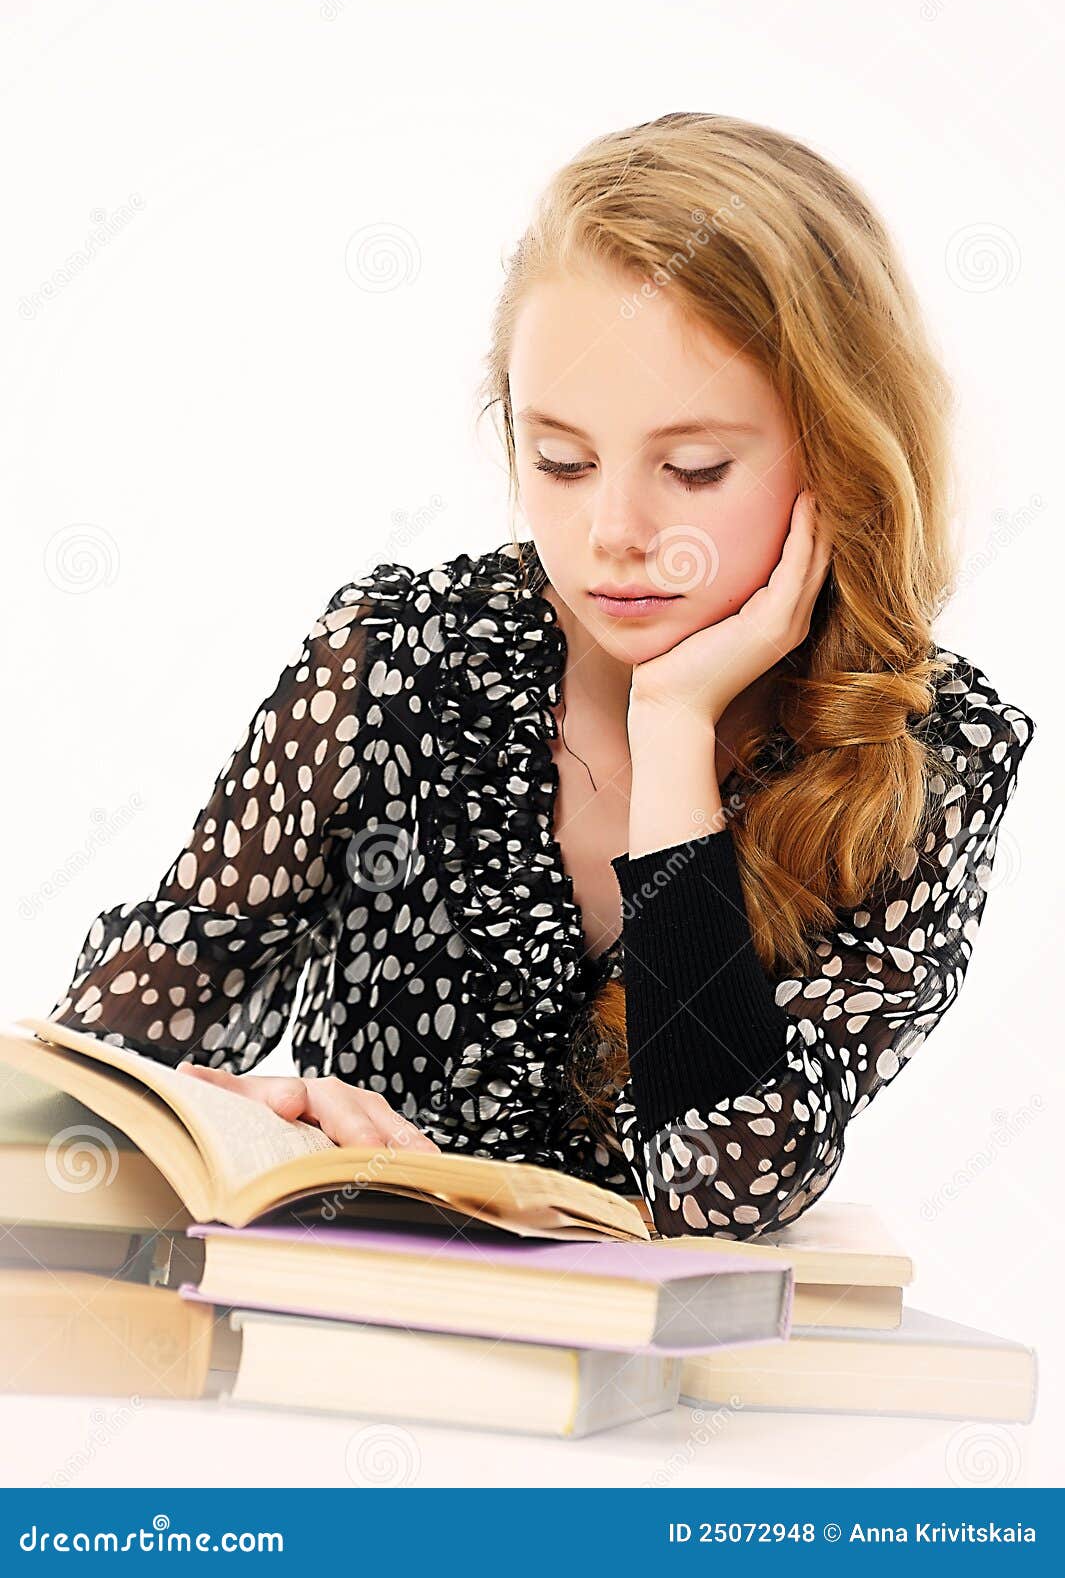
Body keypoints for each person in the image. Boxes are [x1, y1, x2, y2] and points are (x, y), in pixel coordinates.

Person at [47, 113, 1036, 1241]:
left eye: (694, 468)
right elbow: (84, 1076)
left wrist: (672, 736)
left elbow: (717, 1188)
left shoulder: (922, 754)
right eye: (560, 460)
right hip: (348, 1364)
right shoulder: (400, 658)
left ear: (842, 454)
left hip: (677, 1405)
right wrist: (225, 1114)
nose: (613, 529)